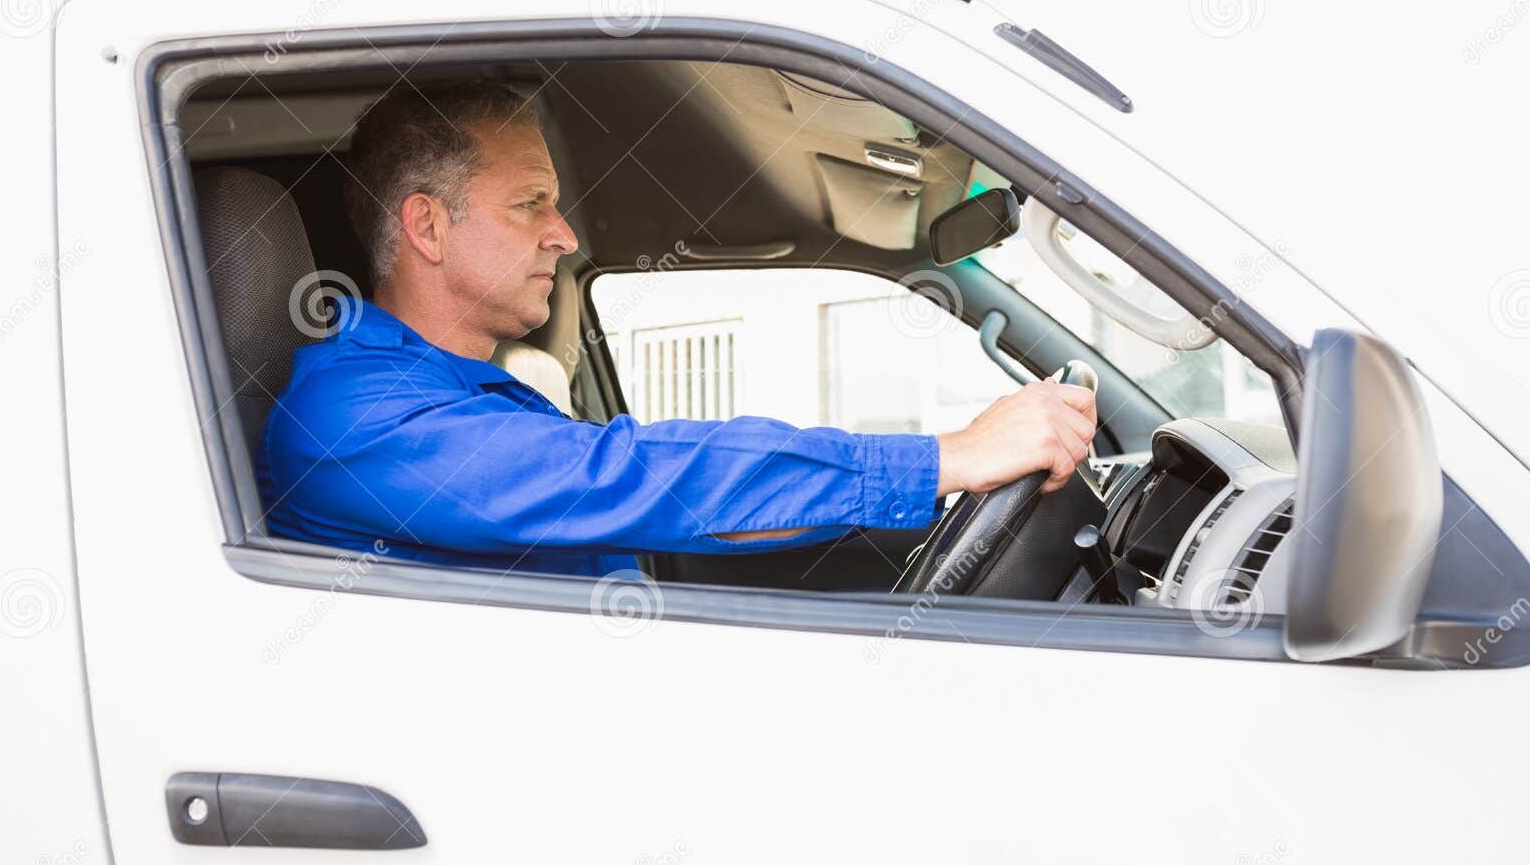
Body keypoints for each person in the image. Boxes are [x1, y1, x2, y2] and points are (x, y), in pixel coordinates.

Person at [256, 80, 1097, 575]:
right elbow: (630, 477)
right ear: (428, 228)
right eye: (530, 204)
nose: (565, 234)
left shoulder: (465, 391)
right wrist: (949, 458)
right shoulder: (351, 418)